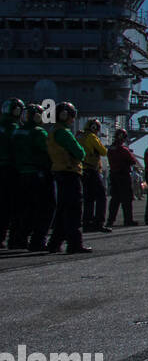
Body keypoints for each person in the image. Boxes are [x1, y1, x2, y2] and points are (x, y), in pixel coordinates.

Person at [47, 101, 91, 254]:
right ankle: (74, 244)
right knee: (73, 210)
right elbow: (80, 153)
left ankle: (54, 243)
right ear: (66, 116)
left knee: (62, 210)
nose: (73, 119)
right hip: (70, 172)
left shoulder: (53, 132)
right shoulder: (64, 133)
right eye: (72, 116)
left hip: (59, 172)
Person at [11, 103, 54, 251]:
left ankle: (17, 239)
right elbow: (48, 153)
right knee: (44, 209)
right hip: (37, 174)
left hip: (19, 174)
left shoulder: (17, 132)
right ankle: (38, 241)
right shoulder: (38, 132)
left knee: (23, 209)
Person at [78, 117, 109, 233]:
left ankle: (87, 223)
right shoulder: (92, 137)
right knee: (101, 197)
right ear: (95, 128)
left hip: (83, 169)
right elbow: (103, 151)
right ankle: (98, 223)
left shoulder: (80, 136)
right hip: (91, 169)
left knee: (88, 198)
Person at [0, 98, 22, 247]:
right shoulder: (14, 128)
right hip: (11, 169)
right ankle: (15, 239)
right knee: (15, 205)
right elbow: (20, 149)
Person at [106, 129, 140, 226]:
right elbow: (133, 160)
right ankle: (128, 220)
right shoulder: (124, 149)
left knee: (115, 199)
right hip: (123, 175)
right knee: (127, 199)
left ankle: (110, 220)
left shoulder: (111, 149)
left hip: (113, 174)